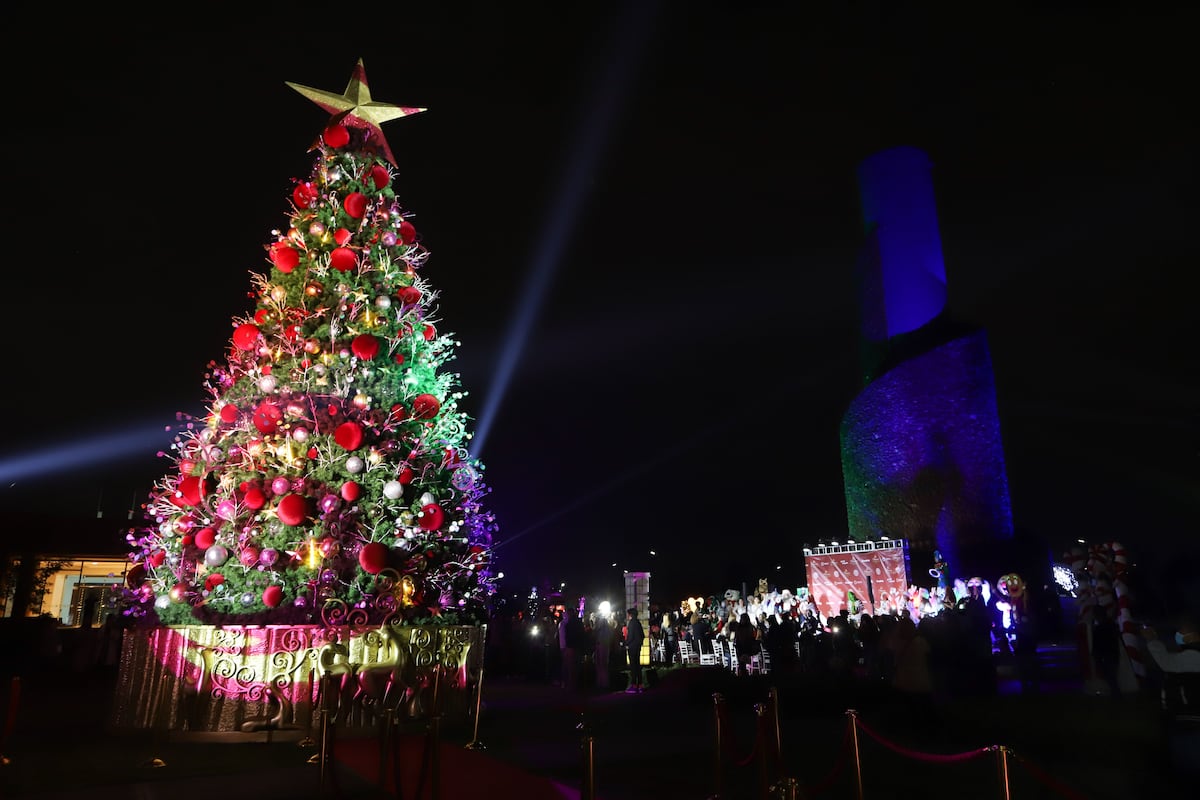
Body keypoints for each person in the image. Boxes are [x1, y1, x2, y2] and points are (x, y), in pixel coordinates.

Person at [624, 607, 646, 693]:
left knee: (633, 666)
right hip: (638, 647)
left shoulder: (631, 623)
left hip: (632, 647)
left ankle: (633, 685)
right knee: (638, 665)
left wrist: (626, 643)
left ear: (630, 615)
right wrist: (640, 643)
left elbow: (630, 636)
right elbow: (642, 635)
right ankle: (640, 685)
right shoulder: (638, 623)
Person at [593, 612, 615, 692]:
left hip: (601, 647)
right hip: (604, 647)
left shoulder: (601, 630)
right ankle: (604, 683)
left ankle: (602, 683)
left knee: (601, 665)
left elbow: (598, 639)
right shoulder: (608, 630)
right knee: (603, 665)